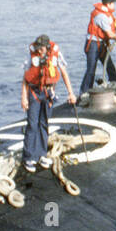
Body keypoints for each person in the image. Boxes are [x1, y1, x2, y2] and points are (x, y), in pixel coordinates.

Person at [20, 36, 76, 173]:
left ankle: (41, 153)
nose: (39, 50)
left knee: (44, 123)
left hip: (48, 93)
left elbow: (63, 73)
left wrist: (71, 93)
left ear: (47, 47)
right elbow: (26, 78)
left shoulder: (56, 55)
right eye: (38, 47)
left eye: (42, 48)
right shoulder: (32, 55)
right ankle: (29, 157)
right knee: (32, 124)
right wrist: (24, 97)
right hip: (34, 93)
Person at [81, 0, 116, 94]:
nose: (114, 5)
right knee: (91, 70)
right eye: (113, 3)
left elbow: (108, 33)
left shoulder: (108, 15)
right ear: (108, 4)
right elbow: (109, 33)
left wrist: (109, 42)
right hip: (93, 44)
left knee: (110, 66)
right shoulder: (101, 16)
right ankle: (84, 92)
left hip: (102, 44)